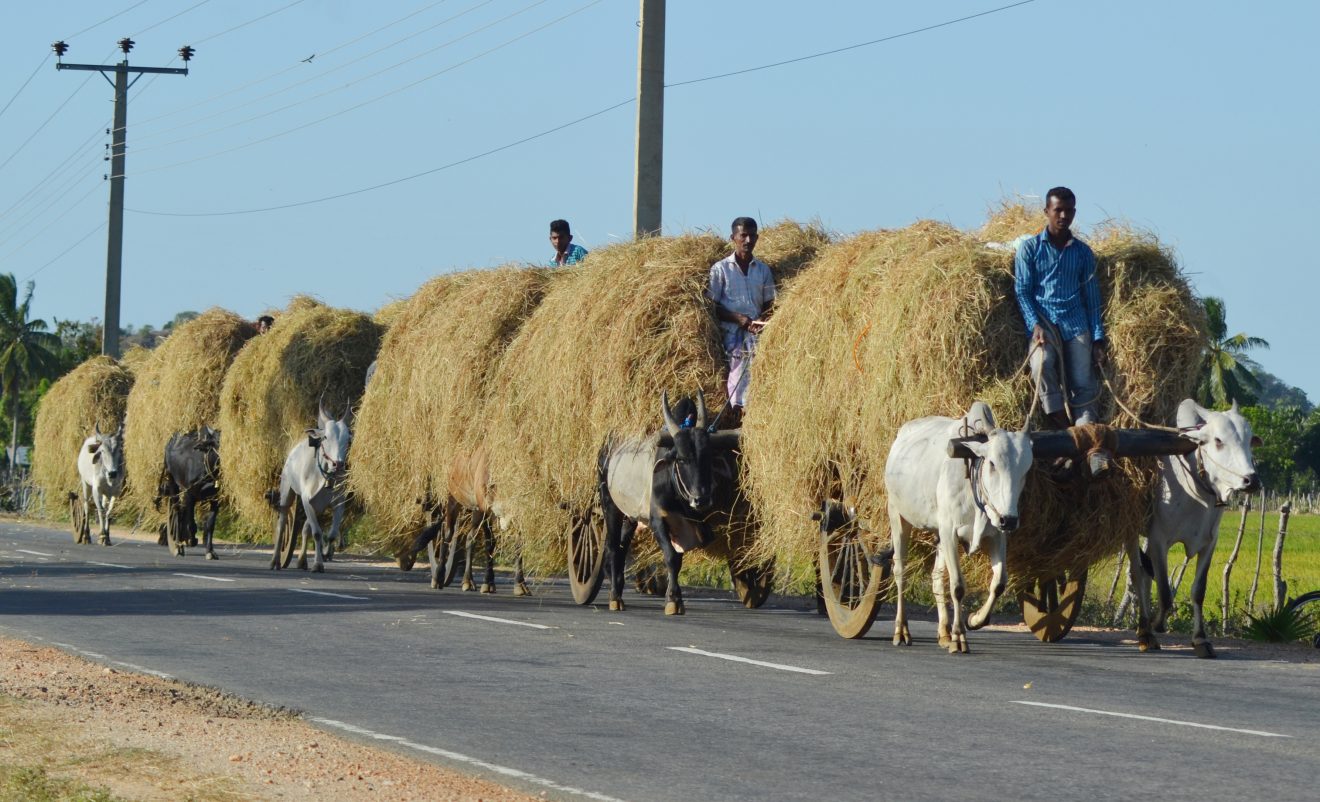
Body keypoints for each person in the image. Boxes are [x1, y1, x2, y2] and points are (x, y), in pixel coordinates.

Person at [1014, 186, 1107, 430]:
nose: (1063, 216)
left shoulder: (1083, 253)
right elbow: (1023, 291)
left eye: (1069, 211)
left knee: (1084, 381)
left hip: (1075, 323)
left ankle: (1085, 433)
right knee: (1040, 364)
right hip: (1043, 322)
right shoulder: (1030, 249)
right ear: (1047, 211)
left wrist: (1098, 339)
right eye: (1058, 210)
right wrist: (1034, 325)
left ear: (1074, 213)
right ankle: (1058, 420)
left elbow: (1092, 298)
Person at [707, 216, 775, 426]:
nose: (748, 240)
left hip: (757, 330)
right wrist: (739, 319)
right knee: (739, 358)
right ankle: (739, 407)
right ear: (733, 238)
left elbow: (770, 304)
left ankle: (763, 407)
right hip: (731, 330)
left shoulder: (762, 270)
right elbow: (713, 305)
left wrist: (761, 321)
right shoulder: (720, 269)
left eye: (752, 235)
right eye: (743, 235)